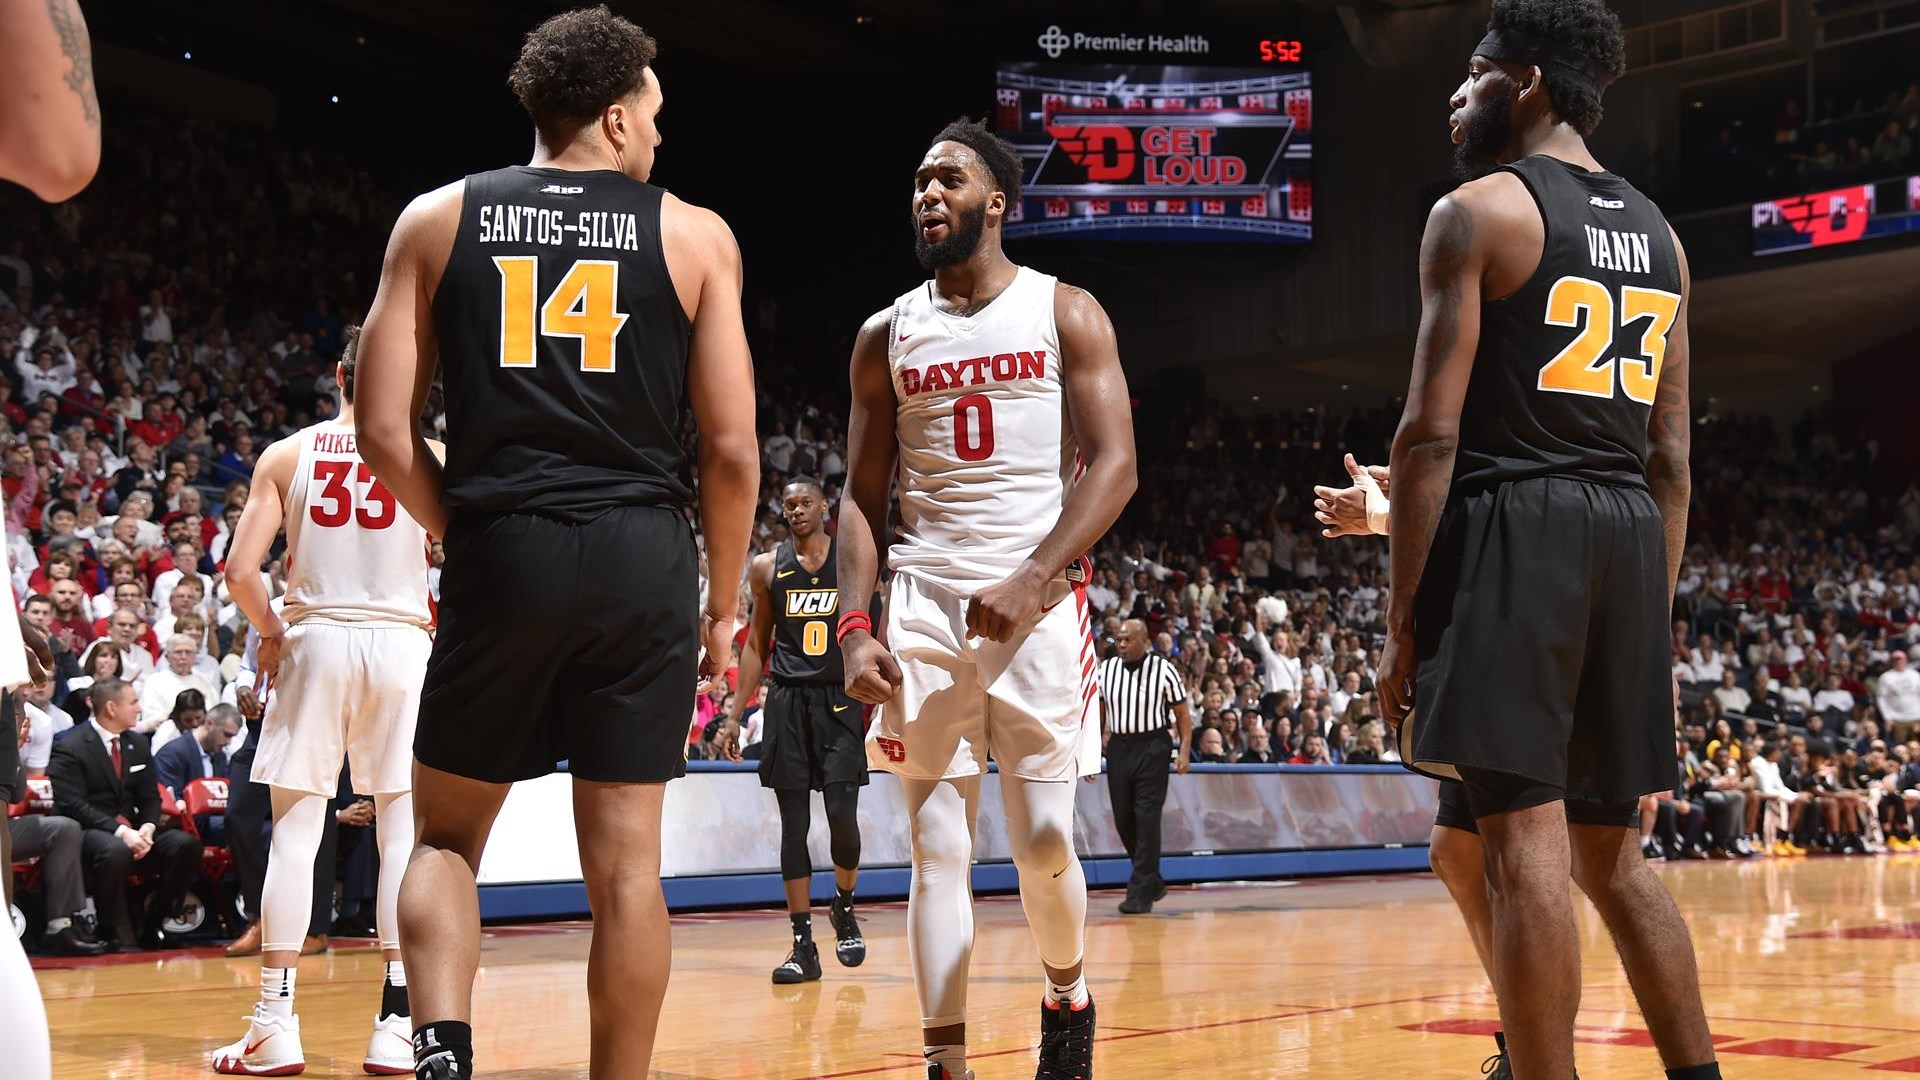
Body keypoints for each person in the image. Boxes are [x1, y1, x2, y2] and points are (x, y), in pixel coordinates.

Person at [354, 9, 758, 1078]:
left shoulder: (436, 220)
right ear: (619, 116)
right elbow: (729, 453)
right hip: (643, 552)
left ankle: (440, 1045)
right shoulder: (697, 236)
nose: (662, 138)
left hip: (503, 539)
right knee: (627, 870)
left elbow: (383, 431)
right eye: (657, 118)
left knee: (443, 839)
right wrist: (723, 607)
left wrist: (467, 527)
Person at [1367, 3, 1721, 1077]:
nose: (1453, 98)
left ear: (1522, 82)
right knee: (1611, 856)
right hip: (1623, 532)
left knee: (1525, 849)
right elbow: (1670, 459)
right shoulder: (1662, 237)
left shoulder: (1476, 213)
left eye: (1469, 77)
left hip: (1520, 529)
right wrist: (1651, 630)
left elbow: (1429, 439)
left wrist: (1402, 626)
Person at [838, 117, 1137, 1080]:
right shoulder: (885, 332)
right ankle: (945, 1062)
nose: (927, 194)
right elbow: (859, 494)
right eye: (919, 181)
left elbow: (1118, 465)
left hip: (1037, 603)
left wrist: (1036, 576)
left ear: (996, 203)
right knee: (936, 849)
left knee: (1046, 841)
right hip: (924, 599)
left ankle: (1067, 994)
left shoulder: (1067, 311)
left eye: (949, 180)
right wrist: (853, 626)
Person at [209, 326, 436, 1076]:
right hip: (402, 644)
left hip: (316, 637)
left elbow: (242, 570)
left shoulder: (288, 453)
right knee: (402, 838)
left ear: (337, 374)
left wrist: (270, 632)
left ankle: (274, 1024)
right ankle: (399, 1026)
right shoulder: (426, 455)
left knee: (296, 837)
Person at [726, 477, 867, 984]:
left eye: (805, 503)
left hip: (839, 701)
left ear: (825, 508)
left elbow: (876, 621)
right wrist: (736, 714)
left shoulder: (850, 559)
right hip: (786, 700)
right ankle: (802, 945)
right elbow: (756, 644)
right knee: (794, 828)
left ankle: (844, 905)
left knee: (843, 821)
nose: (797, 511)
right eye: (789, 505)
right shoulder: (768, 567)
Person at [46, 678, 204, 949]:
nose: (139, 708)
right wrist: (123, 833)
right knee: (115, 849)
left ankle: (154, 923)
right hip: (88, 830)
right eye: (133, 702)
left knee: (185, 844)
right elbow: (73, 804)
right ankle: (108, 930)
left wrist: (148, 828)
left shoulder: (138, 744)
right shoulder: (70, 745)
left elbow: (150, 798)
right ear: (110, 707)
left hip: (132, 828)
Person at [1094, 618, 1192, 914]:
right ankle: (1153, 881)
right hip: (1120, 748)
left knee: (1146, 817)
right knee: (1123, 818)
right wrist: (1094, 748)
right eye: (1118, 640)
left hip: (1153, 747)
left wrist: (1184, 751)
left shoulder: (1164, 669)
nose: (1120, 645)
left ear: (1143, 640)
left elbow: (1183, 715)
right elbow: (1100, 712)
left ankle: (1139, 893)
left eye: (1127, 640)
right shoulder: (1107, 669)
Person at [152, 701, 236, 842]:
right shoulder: (173, 752)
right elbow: (171, 798)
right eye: (227, 735)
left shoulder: (220, 754)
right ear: (209, 724)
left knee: (254, 824)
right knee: (245, 827)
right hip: (183, 825)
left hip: (214, 819)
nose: (229, 742)